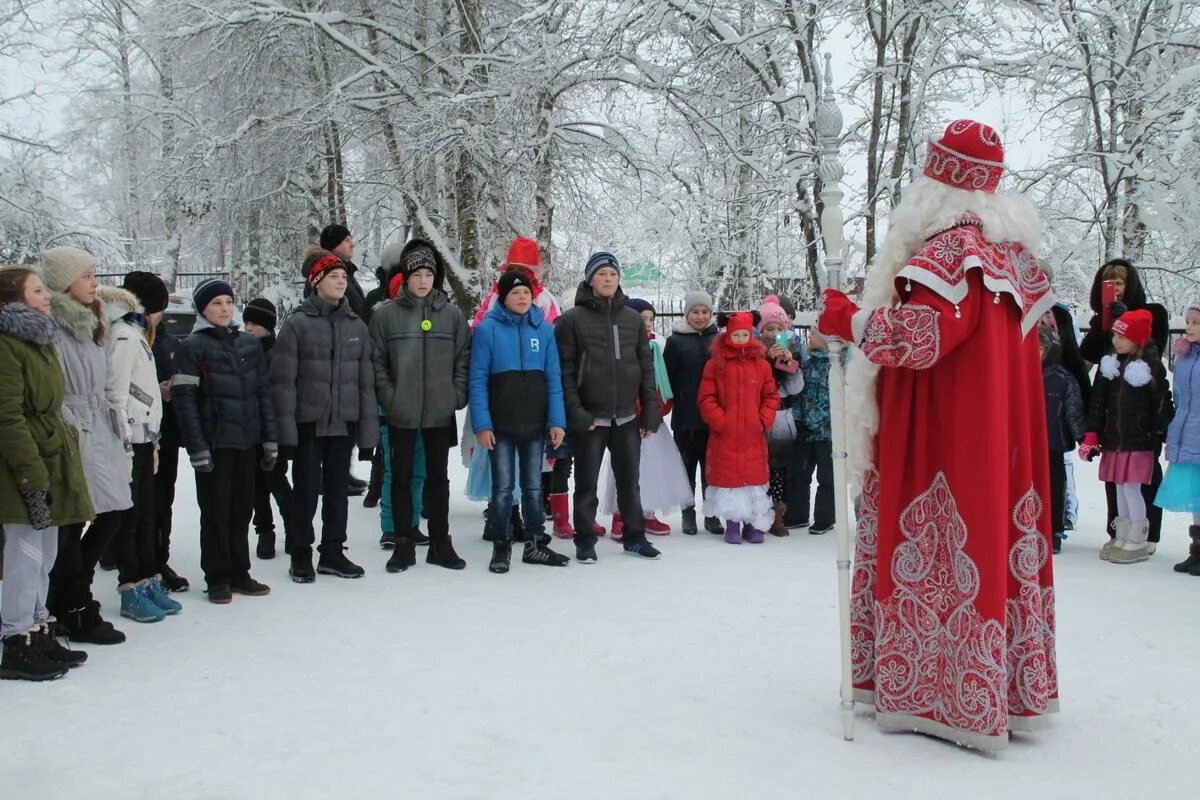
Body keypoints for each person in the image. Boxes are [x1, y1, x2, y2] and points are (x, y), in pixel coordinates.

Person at [817, 120, 1058, 750]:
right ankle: (1000, 687)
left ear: (937, 183)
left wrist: (851, 320)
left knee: (942, 545)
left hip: (944, 436)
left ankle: (941, 692)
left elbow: (921, 339)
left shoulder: (949, 252)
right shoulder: (1014, 258)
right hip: (995, 435)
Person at [0, 267, 91, 680]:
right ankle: (16, 640)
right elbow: (8, 417)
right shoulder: (7, 345)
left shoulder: (39, 339)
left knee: (46, 553)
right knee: (25, 553)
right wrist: (31, 476)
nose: (47, 295)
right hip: (23, 466)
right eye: (37, 290)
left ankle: (38, 628)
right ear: (13, 301)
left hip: (51, 456)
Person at [43, 246, 133, 645]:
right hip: (74, 434)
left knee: (113, 512)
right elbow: (52, 389)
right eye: (86, 276)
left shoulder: (94, 322)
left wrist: (117, 418)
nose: (95, 283)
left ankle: (71, 595)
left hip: (101, 429)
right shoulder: (52, 328)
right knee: (72, 523)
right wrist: (71, 426)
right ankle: (72, 605)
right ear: (64, 282)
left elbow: (108, 378)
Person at [271, 252, 378, 583]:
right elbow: (283, 384)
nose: (341, 281)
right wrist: (286, 435)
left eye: (344, 277)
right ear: (316, 282)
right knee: (305, 490)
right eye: (333, 276)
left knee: (337, 491)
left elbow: (365, 385)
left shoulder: (357, 327)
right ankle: (301, 553)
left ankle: (333, 551)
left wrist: (367, 434)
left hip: (343, 423)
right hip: (308, 422)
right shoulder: (297, 325)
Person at [172, 278, 277, 604]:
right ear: (203, 308)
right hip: (215, 445)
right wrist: (197, 447)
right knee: (216, 513)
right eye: (216, 303)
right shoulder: (191, 347)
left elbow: (263, 394)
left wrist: (269, 438)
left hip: (246, 442)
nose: (224, 308)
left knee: (242, 510)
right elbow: (185, 401)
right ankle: (217, 577)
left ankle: (239, 573)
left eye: (228, 302)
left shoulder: (248, 344)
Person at [369, 239, 470, 573]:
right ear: (406, 277)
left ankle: (441, 543)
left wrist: (455, 395)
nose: (423, 280)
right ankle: (402, 544)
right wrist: (391, 397)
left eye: (428, 273)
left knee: (438, 480)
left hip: (440, 413)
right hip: (402, 413)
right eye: (417, 274)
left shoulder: (452, 315)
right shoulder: (386, 316)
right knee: (400, 478)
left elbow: (463, 360)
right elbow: (377, 363)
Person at [555, 251, 662, 563]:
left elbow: (646, 369)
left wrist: (650, 410)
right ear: (590, 279)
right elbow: (564, 371)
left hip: (627, 416)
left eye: (613, 275)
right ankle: (585, 539)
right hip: (591, 419)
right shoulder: (572, 321)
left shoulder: (631, 319)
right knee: (586, 484)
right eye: (601, 274)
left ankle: (635, 537)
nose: (608, 280)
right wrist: (577, 412)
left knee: (630, 482)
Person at [464, 237, 566, 542]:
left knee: (531, 474)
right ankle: (500, 523)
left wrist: (554, 416)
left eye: (526, 269)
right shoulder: (493, 303)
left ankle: (529, 525)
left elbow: (552, 360)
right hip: (502, 403)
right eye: (515, 267)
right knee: (500, 475)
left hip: (532, 407)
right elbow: (479, 354)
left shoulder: (544, 302)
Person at [97, 276, 181, 621]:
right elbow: (116, 393)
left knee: (147, 514)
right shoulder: (124, 336)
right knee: (130, 518)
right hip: (131, 440)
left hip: (147, 437)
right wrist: (125, 442)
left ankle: (147, 578)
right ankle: (131, 584)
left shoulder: (138, 335)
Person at [1079, 259, 1169, 555]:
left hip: (1140, 408)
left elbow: (1152, 346)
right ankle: (1117, 530)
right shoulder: (1101, 318)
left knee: (1143, 476)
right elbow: (1089, 353)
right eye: (1109, 283)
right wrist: (1104, 323)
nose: (1115, 289)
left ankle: (1147, 533)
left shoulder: (1153, 313)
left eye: (1120, 283)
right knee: (1116, 477)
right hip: (1112, 404)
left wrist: (1126, 318)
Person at [599, 299, 693, 539]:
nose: (648, 324)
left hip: (651, 418)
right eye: (643, 319)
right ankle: (622, 514)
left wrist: (658, 408)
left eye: (651, 319)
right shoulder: (619, 347)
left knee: (652, 466)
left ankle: (647, 512)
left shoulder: (655, 348)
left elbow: (659, 382)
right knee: (626, 466)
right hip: (626, 416)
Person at [698, 311, 779, 544]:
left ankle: (753, 524)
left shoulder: (762, 365)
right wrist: (720, 421)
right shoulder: (715, 365)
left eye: (745, 334)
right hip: (726, 434)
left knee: (753, 481)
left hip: (754, 433)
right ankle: (732, 523)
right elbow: (706, 397)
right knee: (730, 481)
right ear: (727, 335)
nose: (741, 339)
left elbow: (771, 395)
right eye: (736, 334)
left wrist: (763, 419)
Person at [138, 272, 189, 593]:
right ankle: (140, 562)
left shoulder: (168, 341)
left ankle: (159, 558)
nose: (157, 315)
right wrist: (157, 391)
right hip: (138, 436)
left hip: (166, 432)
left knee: (163, 500)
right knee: (138, 505)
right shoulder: (129, 338)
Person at [376, 271, 428, 550]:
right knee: (395, 472)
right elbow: (379, 366)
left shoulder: (427, 322)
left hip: (424, 411)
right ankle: (390, 525)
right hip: (393, 412)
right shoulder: (385, 323)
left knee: (418, 472)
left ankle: (412, 523)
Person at [662, 290, 720, 535]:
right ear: (687, 314)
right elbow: (668, 379)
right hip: (686, 417)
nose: (700, 317)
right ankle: (688, 512)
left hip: (713, 417)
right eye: (695, 312)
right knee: (686, 467)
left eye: (704, 312)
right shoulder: (675, 342)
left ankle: (712, 514)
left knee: (712, 468)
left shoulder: (718, 340)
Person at [242, 297, 294, 560]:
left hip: (275, 430)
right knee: (254, 486)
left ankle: (293, 527)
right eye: (247, 322)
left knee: (276, 480)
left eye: (256, 323)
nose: (250, 328)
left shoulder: (277, 353)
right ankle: (265, 531)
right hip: (250, 430)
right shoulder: (241, 351)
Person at [1158, 301, 1200, 575]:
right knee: (1196, 497)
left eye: (1196, 323)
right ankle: (1196, 550)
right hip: (1188, 432)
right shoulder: (1184, 358)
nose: (1189, 326)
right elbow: (1181, 399)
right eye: (1188, 321)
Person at [758, 295, 803, 536]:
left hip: (783, 417)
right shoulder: (754, 351)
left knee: (780, 469)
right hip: (761, 416)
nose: (775, 333)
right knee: (760, 467)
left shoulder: (793, 349)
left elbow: (796, 389)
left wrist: (788, 363)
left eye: (780, 328)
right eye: (769, 328)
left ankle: (778, 515)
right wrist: (767, 358)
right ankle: (758, 513)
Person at [790, 331, 843, 535]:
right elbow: (798, 393)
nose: (810, 337)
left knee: (827, 477)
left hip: (829, 432)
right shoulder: (808, 363)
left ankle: (825, 518)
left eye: (814, 333)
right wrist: (797, 418)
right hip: (806, 430)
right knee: (799, 473)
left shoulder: (841, 363)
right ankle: (797, 514)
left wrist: (831, 421)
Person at [1039, 323, 1085, 555]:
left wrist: (1082, 436)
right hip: (1025, 446)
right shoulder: (1016, 373)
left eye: (1040, 348)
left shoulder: (1062, 378)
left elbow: (1073, 410)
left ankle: (1054, 529)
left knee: (1055, 488)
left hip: (1053, 442)